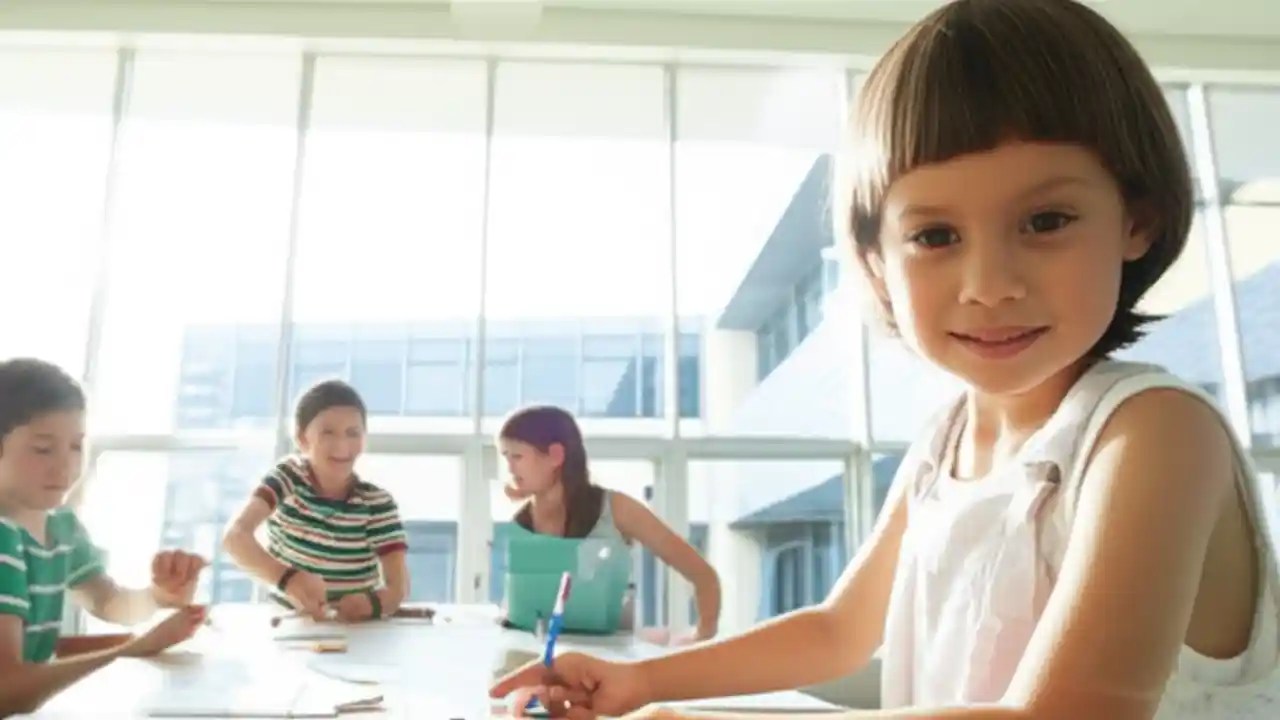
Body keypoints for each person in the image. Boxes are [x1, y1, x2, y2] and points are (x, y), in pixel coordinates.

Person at [490, 1, 1280, 718]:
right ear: (876, 262)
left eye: (1046, 220)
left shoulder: (1156, 435)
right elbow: (837, 631)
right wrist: (642, 682)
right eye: (935, 235)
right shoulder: (944, 444)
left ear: (1137, 220)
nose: (990, 284)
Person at [0, 358, 208, 715]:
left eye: (76, 446)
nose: (65, 466)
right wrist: (129, 650)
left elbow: (110, 602)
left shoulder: (60, 528)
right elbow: (7, 689)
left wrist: (159, 596)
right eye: (43, 449)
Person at [499, 405, 720, 643]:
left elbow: (703, 575)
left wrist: (701, 637)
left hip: (606, 658)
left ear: (555, 456)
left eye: (517, 456)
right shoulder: (519, 522)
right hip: (530, 656)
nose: (509, 468)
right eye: (505, 456)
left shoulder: (617, 509)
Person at [223, 379, 410, 623]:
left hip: (353, 627)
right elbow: (235, 537)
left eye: (353, 433)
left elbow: (398, 588)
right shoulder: (288, 477)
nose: (342, 446)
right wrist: (287, 579)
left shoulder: (377, 503)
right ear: (302, 439)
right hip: (288, 620)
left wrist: (373, 604)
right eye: (327, 433)